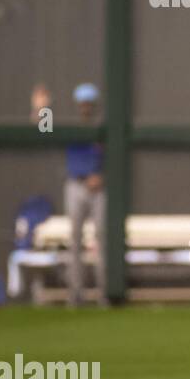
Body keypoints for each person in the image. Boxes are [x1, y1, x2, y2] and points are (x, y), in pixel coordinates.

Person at [65, 83, 107, 307]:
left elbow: (114, 154)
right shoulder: (70, 127)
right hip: (75, 185)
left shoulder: (102, 127)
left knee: (102, 238)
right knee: (75, 241)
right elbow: (43, 130)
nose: (85, 107)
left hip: (99, 188)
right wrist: (41, 109)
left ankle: (105, 294)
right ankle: (76, 295)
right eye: (82, 103)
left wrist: (102, 175)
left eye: (89, 103)